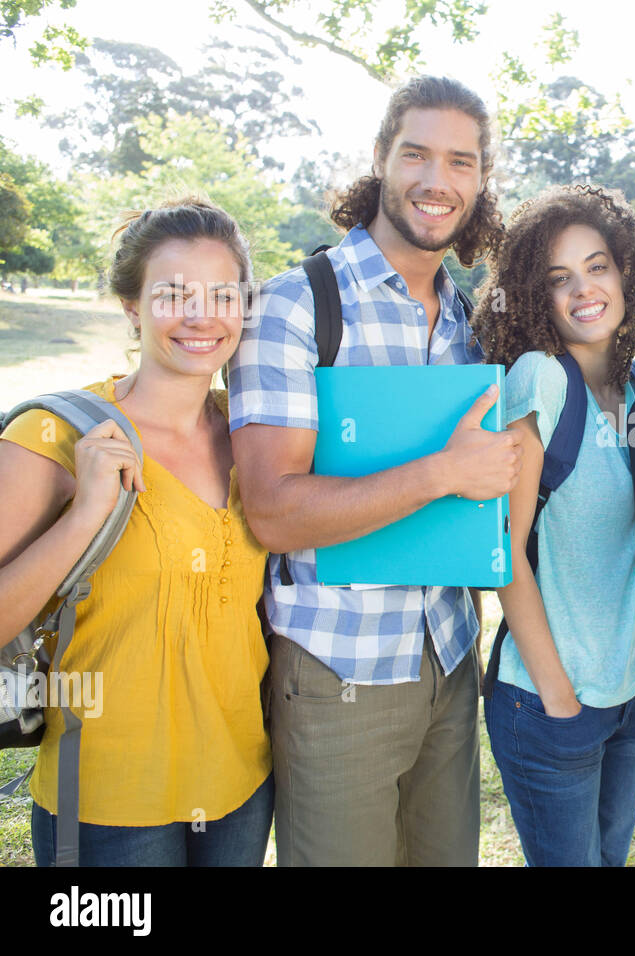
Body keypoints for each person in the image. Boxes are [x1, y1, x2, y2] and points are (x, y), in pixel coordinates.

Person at [228, 75, 521, 867]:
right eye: (416, 154)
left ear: (480, 180)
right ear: (381, 161)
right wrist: (445, 472)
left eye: (461, 162)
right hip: (337, 669)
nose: (437, 181)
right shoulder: (297, 305)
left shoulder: (466, 320)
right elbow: (274, 513)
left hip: (449, 655)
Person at [0, 199, 272, 866]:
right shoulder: (55, 435)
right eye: (172, 293)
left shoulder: (254, 436)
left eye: (221, 294)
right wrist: (86, 516)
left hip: (241, 785)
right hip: (107, 802)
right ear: (132, 306)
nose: (200, 315)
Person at [471, 184, 635, 866]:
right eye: (560, 278)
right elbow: (503, 550)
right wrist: (559, 692)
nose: (584, 289)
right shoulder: (540, 382)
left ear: (626, 272)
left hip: (629, 698)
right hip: (550, 704)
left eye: (598, 266)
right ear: (536, 295)